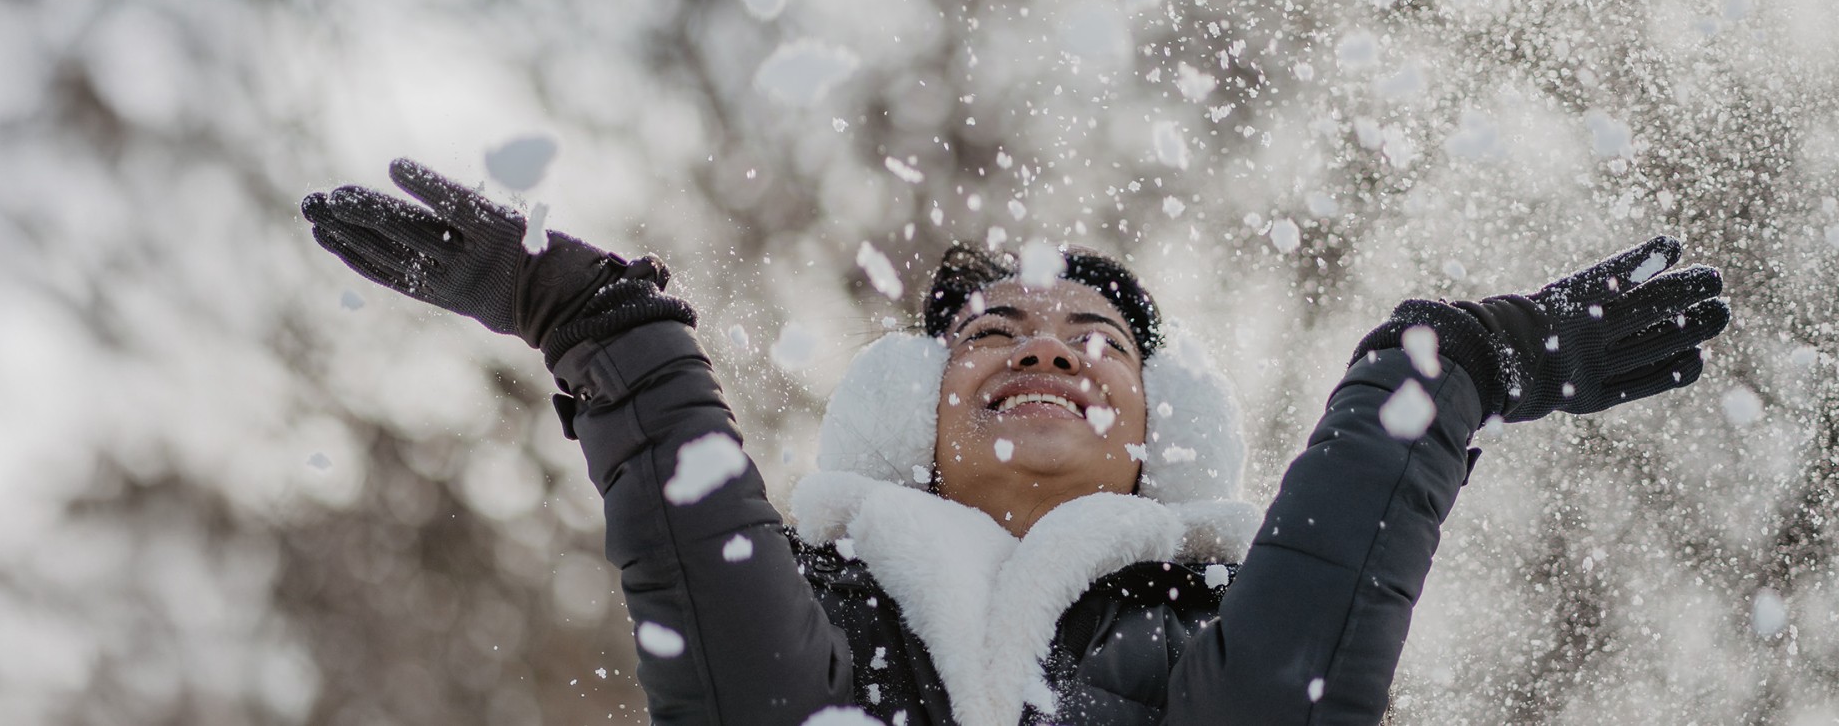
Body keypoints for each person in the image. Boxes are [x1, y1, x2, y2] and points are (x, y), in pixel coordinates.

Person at [301, 159, 1730, 725]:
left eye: (1097, 341)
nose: (1046, 344)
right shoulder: (836, 636)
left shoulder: (1192, 652)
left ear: (1153, 443)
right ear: (918, 415)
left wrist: (1446, 365)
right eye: (992, 334)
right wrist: (599, 319)